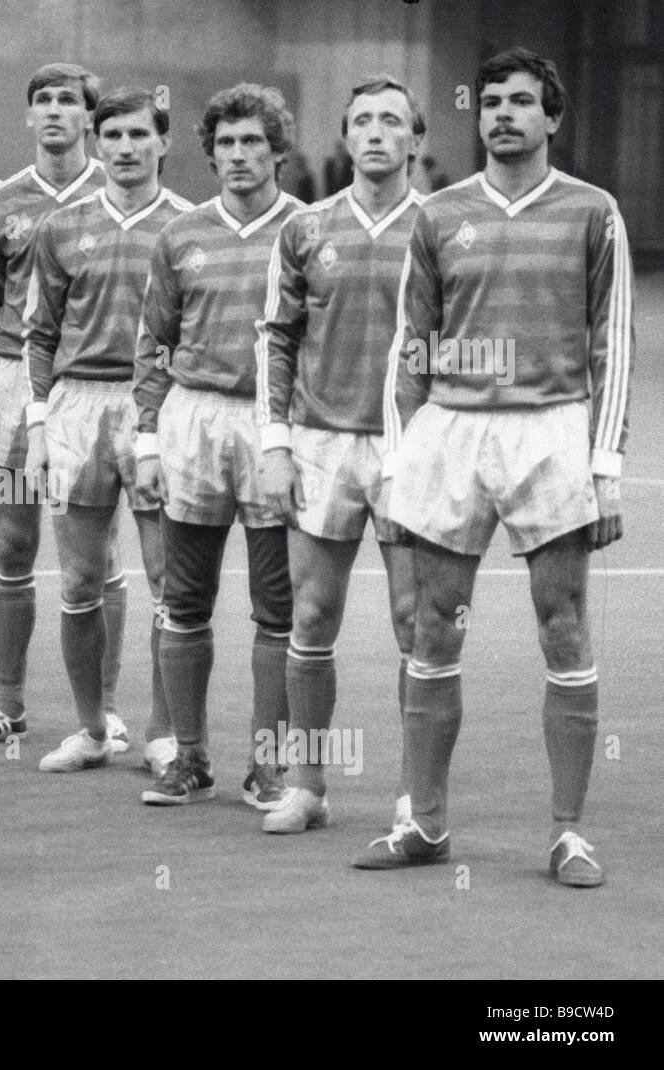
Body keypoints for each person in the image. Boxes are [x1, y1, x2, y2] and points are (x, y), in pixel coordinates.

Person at [356, 49, 633, 887]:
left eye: (523, 103)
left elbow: (610, 341)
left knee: (564, 625)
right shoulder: (439, 214)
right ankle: (427, 825)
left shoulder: (594, 211)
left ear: (553, 118)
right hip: (452, 430)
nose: (504, 114)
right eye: (493, 103)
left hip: (550, 431)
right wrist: (400, 456)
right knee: (435, 627)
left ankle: (569, 832)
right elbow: (411, 343)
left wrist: (606, 462)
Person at [256, 76, 425, 833]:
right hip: (322, 443)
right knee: (312, 616)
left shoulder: (443, 225)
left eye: (393, 121)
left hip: (416, 448)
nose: (378, 133)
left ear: (416, 139)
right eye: (363, 121)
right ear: (346, 139)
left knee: (417, 622)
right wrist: (275, 444)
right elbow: (276, 339)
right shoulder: (304, 228)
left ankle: (417, 794)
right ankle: (308, 786)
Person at [134, 84, 302, 806]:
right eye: (226, 144)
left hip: (271, 426)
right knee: (184, 599)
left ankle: (269, 766)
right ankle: (188, 757)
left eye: (252, 142)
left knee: (276, 608)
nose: (238, 156)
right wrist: (145, 440)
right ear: (209, 153)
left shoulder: (306, 229)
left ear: (278, 151)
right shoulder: (180, 235)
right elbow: (152, 345)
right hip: (194, 421)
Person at [0, 62, 133, 747]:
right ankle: (8, 706)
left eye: (69, 101)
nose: (55, 111)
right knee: (11, 541)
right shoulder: (0, 203)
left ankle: (106, 709)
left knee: (97, 556)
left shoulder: (118, 190)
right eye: (43, 101)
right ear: (27, 117)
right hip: (9, 387)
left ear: (90, 118)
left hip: (89, 390)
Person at [23, 86, 192, 774]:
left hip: (158, 408)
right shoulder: (61, 227)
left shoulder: (187, 225)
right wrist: (37, 427)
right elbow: (38, 334)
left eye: (138, 135)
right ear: (96, 144)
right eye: (112, 136)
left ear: (163, 143)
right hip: (75, 409)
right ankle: (93, 729)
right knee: (79, 581)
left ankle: (161, 734)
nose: (124, 148)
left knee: (169, 582)